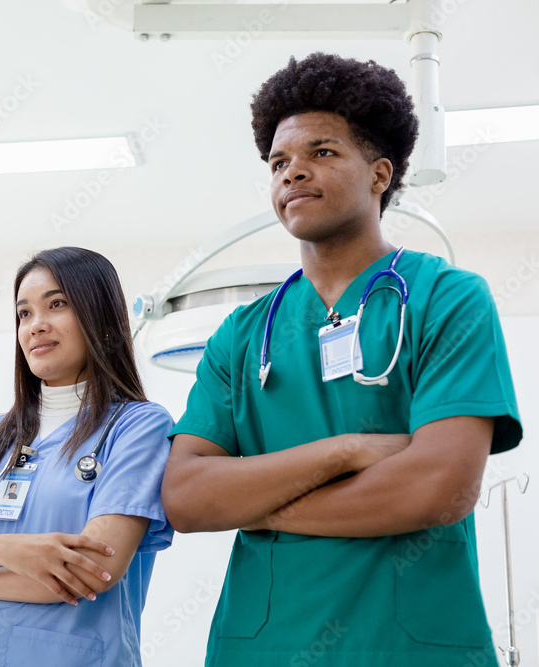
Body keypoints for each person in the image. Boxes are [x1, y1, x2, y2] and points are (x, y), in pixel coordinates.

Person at [163, 52, 523, 667]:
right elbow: (187, 497)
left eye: (322, 152)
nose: (293, 173)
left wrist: (258, 506)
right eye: (279, 162)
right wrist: (347, 450)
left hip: (409, 647)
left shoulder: (447, 298)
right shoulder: (242, 335)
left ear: (380, 175)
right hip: (264, 647)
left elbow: (440, 487)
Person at [0, 247, 174, 667]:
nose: (36, 325)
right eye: (24, 313)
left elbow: (91, 571)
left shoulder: (137, 427)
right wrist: (3, 549)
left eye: (57, 304)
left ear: (102, 319)